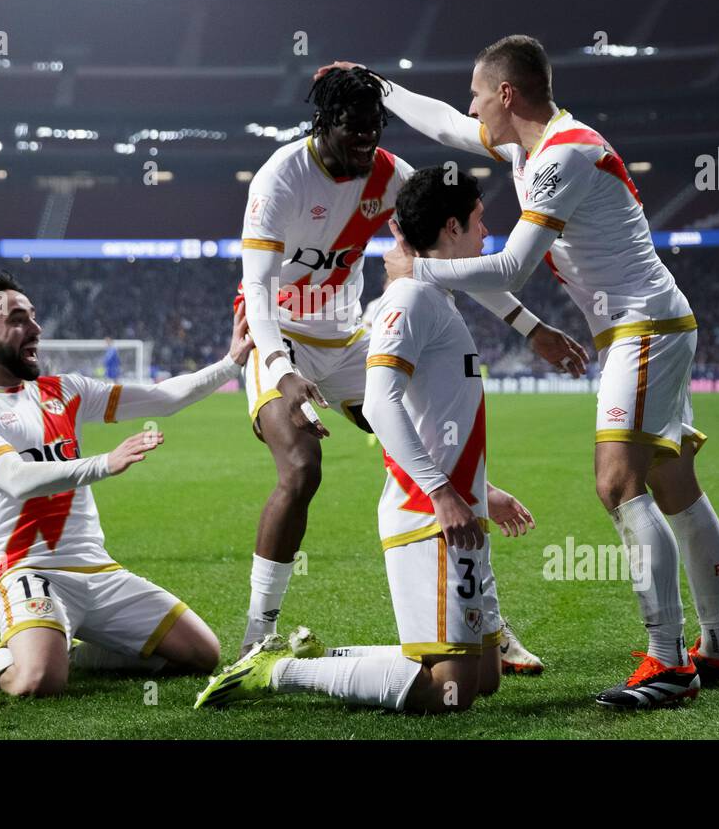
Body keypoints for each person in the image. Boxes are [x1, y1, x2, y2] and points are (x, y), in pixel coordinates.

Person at [319, 37, 719, 708]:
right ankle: (718, 647)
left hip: (643, 328)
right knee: (674, 485)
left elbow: (513, 267)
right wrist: (380, 86)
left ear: (506, 94)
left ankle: (668, 662)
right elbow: (445, 125)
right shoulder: (530, 149)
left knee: (618, 483)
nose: (470, 108)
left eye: (477, 95)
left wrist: (415, 267)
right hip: (650, 323)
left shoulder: (562, 154)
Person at [234, 67, 587, 670]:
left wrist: (530, 328)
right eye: (354, 130)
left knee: (440, 433)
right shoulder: (279, 179)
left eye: (375, 129)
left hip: (347, 337)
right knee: (302, 466)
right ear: (324, 123)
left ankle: (489, 623)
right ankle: (256, 635)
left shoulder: (388, 174)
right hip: (280, 336)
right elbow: (259, 291)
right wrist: (280, 367)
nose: (366, 142)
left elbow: (448, 253)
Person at [198, 168, 537, 713]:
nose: (486, 232)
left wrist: (481, 491)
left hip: (458, 506)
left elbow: (436, 418)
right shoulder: (411, 300)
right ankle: (277, 669)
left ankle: (314, 656)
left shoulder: (435, 296)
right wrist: (443, 492)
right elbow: (379, 405)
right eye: (478, 221)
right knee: (448, 693)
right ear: (451, 228)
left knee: (482, 679)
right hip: (426, 512)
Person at [0, 273, 250, 696]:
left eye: (34, 316)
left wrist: (231, 362)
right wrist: (103, 463)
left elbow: (163, 398)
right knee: (37, 681)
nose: (36, 328)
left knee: (201, 653)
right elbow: (16, 478)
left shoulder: (65, 391)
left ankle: (63, 649)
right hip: (26, 569)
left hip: (96, 568)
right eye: (18, 319)